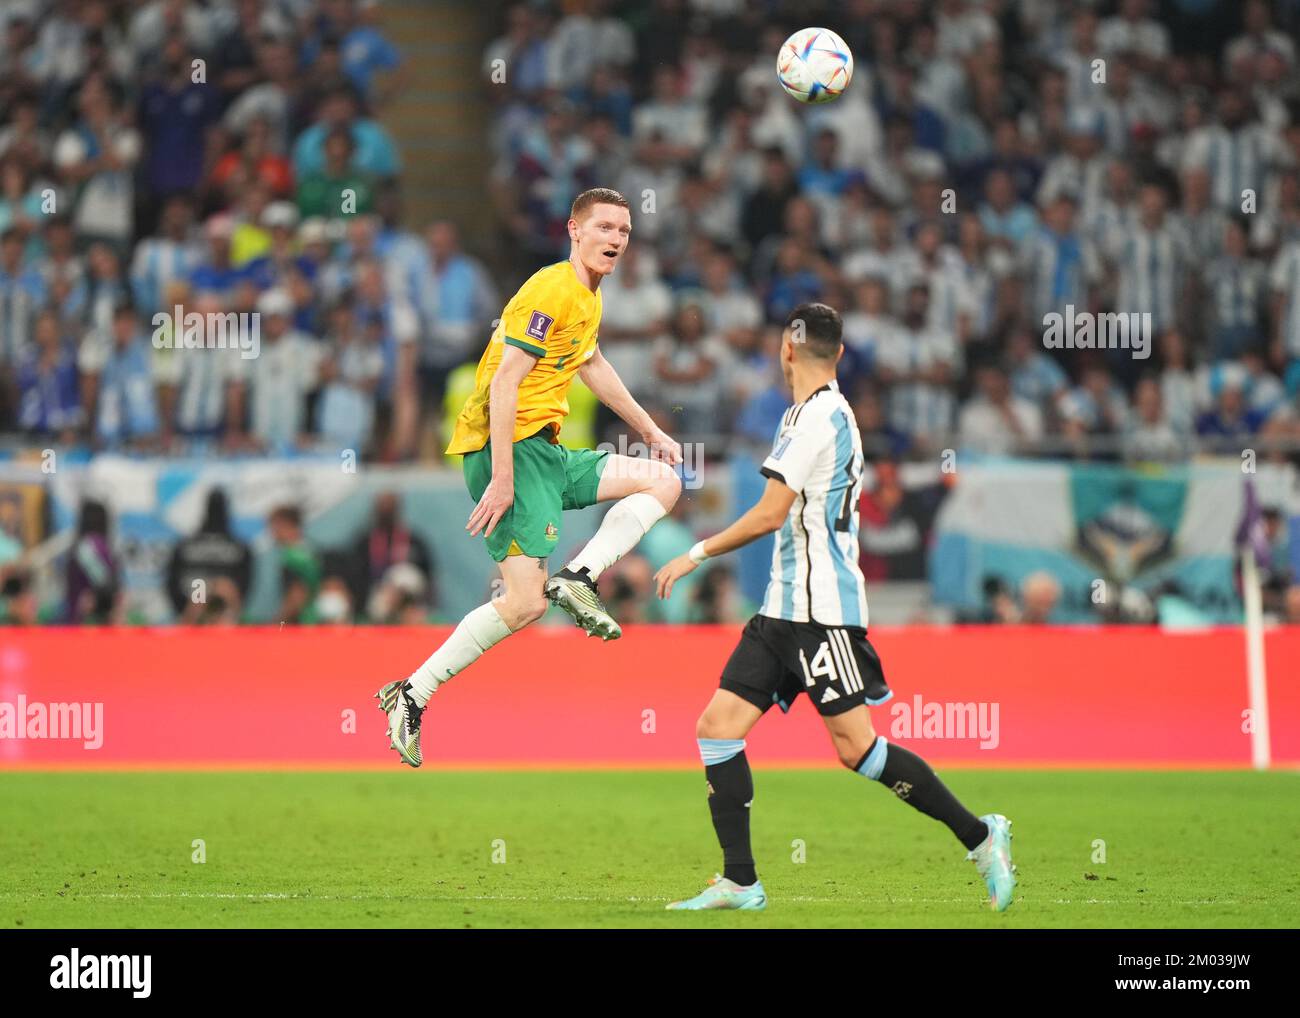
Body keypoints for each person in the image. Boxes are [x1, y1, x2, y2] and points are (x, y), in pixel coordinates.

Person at [653, 302, 1016, 913]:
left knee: (857, 750)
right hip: (781, 611)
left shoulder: (816, 418)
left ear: (785, 349)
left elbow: (770, 513)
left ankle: (981, 837)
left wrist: (696, 552)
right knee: (717, 729)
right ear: (839, 353)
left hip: (822, 615)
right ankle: (741, 881)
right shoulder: (818, 413)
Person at [375, 187, 683, 768]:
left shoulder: (588, 299)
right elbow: (504, 385)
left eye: (623, 231)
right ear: (574, 229)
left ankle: (576, 577)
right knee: (522, 604)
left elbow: (591, 364)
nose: (615, 239)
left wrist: (650, 431)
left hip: (547, 451)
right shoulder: (550, 290)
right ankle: (414, 693)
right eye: (604, 228)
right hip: (509, 451)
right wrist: (502, 477)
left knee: (662, 483)